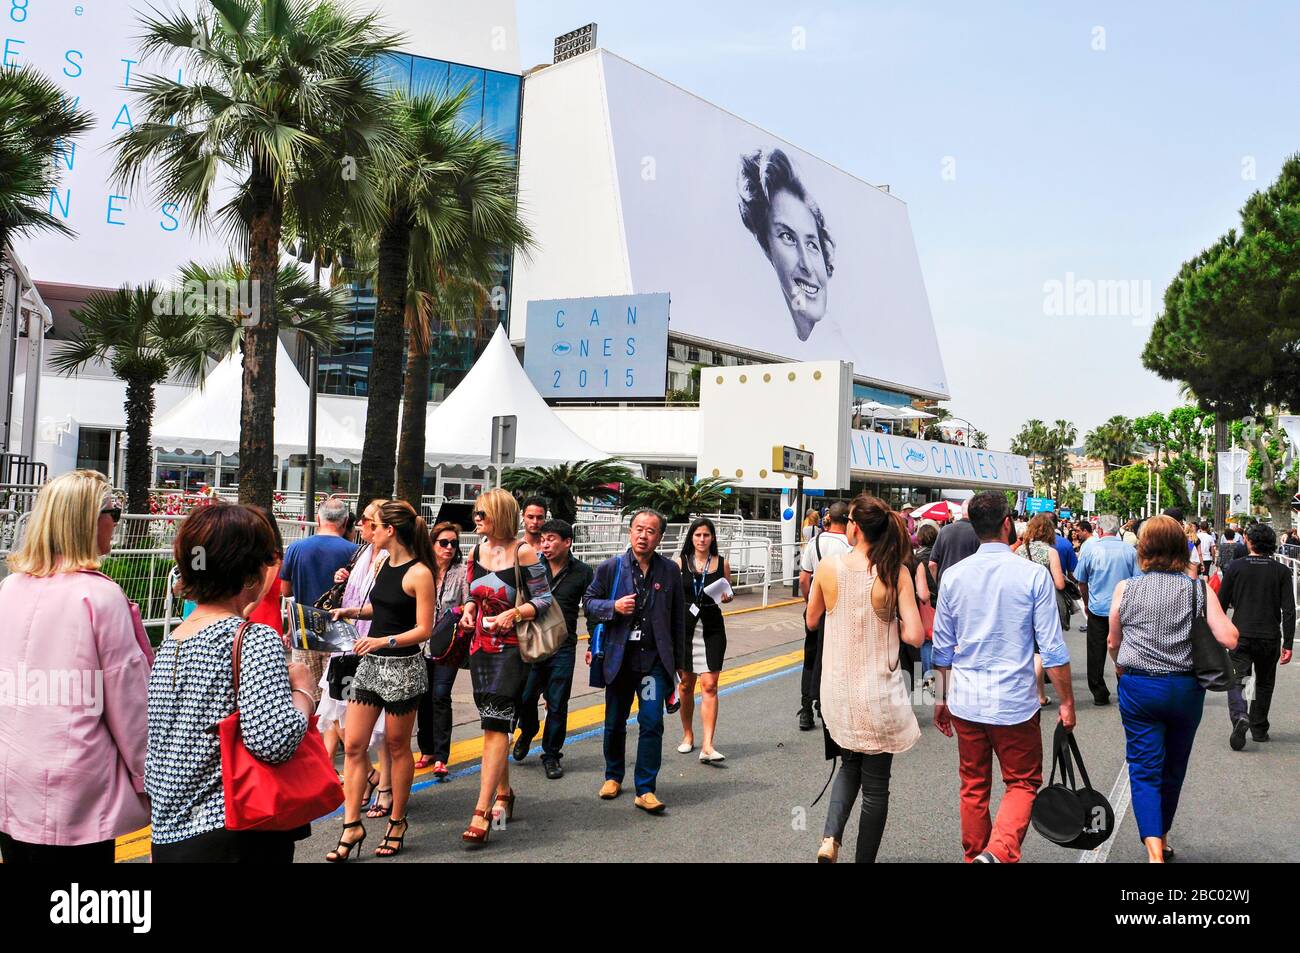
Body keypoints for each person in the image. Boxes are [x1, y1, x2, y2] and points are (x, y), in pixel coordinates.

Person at [148, 504, 315, 862]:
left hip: (170, 835)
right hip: (236, 832)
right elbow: (274, 741)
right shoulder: (252, 638)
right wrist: (304, 691)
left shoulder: (172, 641)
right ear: (249, 571)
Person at [0, 470, 150, 863]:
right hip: (78, 785)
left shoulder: (11, 587)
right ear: (86, 519)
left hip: (12, 775)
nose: (116, 520)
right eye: (112, 511)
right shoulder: (100, 595)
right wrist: (147, 776)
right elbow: (130, 703)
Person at [932, 491, 1075, 864]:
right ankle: (998, 851)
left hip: (965, 698)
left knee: (974, 786)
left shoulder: (953, 577)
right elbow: (1054, 650)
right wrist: (1067, 702)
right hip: (1014, 701)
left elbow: (942, 649)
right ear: (1007, 524)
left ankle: (975, 855)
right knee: (1023, 782)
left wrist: (938, 699)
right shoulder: (1032, 576)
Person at [1108, 516, 1238, 862]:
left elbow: (1113, 641)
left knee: (1144, 767)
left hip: (1139, 685)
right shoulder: (1198, 589)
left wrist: (1120, 665)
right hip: (1184, 688)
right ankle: (1162, 837)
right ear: (1183, 549)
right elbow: (1230, 637)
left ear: (1144, 550)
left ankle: (1154, 850)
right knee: (1174, 766)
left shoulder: (1127, 588)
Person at [806, 495, 924, 863]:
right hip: (878, 695)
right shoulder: (895, 572)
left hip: (837, 691)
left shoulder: (828, 567)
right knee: (876, 788)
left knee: (848, 763)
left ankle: (829, 838)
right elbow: (916, 636)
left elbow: (811, 621)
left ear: (854, 527)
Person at [326, 500, 437, 860]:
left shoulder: (420, 572)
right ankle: (352, 824)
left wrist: (382, 640)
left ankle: (398, 821)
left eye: (374, 524)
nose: (367, 529)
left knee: (397, 746)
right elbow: (384, 608)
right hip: (370, 665)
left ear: (391, 530)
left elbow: (424, 629)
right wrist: (352, 611)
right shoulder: (381, 562)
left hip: (403, 668)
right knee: (355, 744)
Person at [458, 489, 554, 846]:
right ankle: (504, 793)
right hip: (480, 647)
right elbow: (471, 591)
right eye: (476, 513)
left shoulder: (523, 551)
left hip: (512, 650)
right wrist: (469, 609)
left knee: (497, 726)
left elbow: (544, 599)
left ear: (499, 514)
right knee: (490, 724)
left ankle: (481, 812)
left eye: (482, 513)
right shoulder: (476, 550)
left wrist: (515, 613)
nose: (477, 519)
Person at [584, 509, 685, 814]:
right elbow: (588, 603)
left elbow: (678, 618)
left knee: (652, 721)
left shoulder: (669, 571)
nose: (643, 535)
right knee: (615, 722)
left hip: (653, 663)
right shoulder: (611, 568)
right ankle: (613, 776)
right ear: (630, 532)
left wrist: (679, 664)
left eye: (650, 531)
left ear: (660, 537)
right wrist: (613, 606)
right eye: (639, 529)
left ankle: (645, 788)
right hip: (619, 660)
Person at [316, 499, 391, 815]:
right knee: (342, 713)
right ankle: (369, 775)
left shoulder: (390, 557)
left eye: (366, 520)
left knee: (384, 726)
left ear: (380, 526)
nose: (359, 524)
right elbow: (353, 593)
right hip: (347, 643)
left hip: (375, 643)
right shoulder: (361, 553)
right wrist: (341, 580)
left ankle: (384, 786)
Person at [514, 518, 594, 779]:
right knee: (524, 697)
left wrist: (593, 643)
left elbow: (591, 609)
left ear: (567, 542)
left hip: (564, 645)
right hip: (534, 641)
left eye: (551, 540)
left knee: (558, 702)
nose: (545, 544)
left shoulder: (582, 572)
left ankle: (551, 755)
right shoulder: (533, 566)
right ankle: (528, 730)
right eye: (543, 539)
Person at [737, 147, 836, 344]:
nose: (807, 265)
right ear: (766, 248)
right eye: (787, 237)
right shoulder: (757, 328)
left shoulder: (845, 351)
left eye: (811, 244)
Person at [1217, 522, 1294, 750]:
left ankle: (1240, 715)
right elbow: (1289, 610)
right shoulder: (1281, 571)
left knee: (1237, 679)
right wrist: (1288, 642)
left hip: (1240, 633)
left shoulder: (1236, 567)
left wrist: (1217, 634)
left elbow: (1220, 604)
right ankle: (1259, 728)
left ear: (1249, 542)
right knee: (1265, 682)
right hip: (1269, 635)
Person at [280, 497, 357, 695]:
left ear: (318, 519)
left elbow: (286, 591)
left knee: (306, 694)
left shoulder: (296, 548)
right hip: (341, 633)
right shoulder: (355, 552)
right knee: (337, 698)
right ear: (346, 520)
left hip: (305, 630)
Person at [673, 517, 734, 763]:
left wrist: (728, 597)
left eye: (706, 535)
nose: (701, 539)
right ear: (691, 538)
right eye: (697, 535)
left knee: (710, 685)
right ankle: (688, 735)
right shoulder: (679, 563)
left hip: (712, 628)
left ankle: (708, 745)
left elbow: (727, 590)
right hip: (685, 629)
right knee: (686, 685)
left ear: (712, 538)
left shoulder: (722, 563)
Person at [415, 521, 469, 779]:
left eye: (453, 543)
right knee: (423, 697)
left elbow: (470, 600)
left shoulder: (461, 572)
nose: (449, 547)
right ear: (432, 544)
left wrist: (463, 614)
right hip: (421, 644)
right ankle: (425, 750)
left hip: (448, 645)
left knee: (440, 695)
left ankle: (441, 755)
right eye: (444, 543)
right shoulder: (422, 570)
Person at [1075, 513, 1139, 706]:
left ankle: (1099, 692)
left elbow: (1082, 582)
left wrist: (1086, 603)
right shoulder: (1130, 551)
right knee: (1125, 650)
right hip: (1124, 609)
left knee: (1096, 652)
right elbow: (1137, 581)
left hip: (1098, 608)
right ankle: (1125, 687)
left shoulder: (1090, 550)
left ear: (1099, 530)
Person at [798, 501, 851, 730]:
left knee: (810, 657)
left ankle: (805, 709)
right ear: (848, 520)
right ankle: (827, 706)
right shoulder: (850, 546)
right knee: (834, 660)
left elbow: (803, 578)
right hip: (839, 609)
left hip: (816, 608)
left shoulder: (814, 542)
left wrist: (809, 600)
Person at [1011, 513, 1067, 707]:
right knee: (1040, 651)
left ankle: (1036, 693)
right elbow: (1059, 584)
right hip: (1043, 605)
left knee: (1024, 648)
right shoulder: (1050, 552)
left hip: (1020, 604)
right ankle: (1037, 694)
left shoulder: (1019, 552)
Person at [927, 501, 980, 596]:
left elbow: (932, 564)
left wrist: (939, 583)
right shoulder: (979, 533)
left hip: (945, 588)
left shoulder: (944, 530)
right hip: (968, 590)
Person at [914, 522, 939, 686]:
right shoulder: (939, 556)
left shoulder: (918, 559)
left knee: (926, 639)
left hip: (925, 602)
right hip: (940, 601)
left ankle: (929, 676)